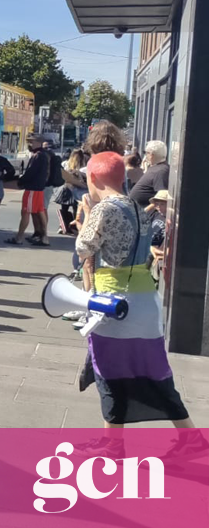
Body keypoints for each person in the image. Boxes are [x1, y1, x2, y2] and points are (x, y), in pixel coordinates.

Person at [72, 153, 206, 460]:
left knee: (107, 372)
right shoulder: (137, 206)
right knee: (154, 372)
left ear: (94, 178)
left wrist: (87, 214)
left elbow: (83, 247)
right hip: (145, 300)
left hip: (116, 301)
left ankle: (113, 444)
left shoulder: (103, 208)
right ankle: (190, 437)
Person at [8, 135, 51, 246]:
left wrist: (21, 181)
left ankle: (19, 237)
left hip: (32, 189)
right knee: (40, 211)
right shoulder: (44, 155)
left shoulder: (37, 156)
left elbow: (30, 172)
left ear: (38, 142)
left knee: (25, 212)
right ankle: (44, 236)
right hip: (39, 188)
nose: (31, 144)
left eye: (32, 142)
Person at [128, 140, 170, 207]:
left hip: (146, 214)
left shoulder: (161, 171)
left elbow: (161, 197)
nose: (145, 156)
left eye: (145, 153)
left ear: (151, 155)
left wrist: (145, 211)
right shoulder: (157, 168)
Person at [57, 149, 88, 235]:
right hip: (77, 189)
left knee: (64, 208)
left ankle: (63, 226)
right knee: (76, 208)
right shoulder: (83, 167)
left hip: (66, 188)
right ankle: (75, 227)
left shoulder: (65, 164)